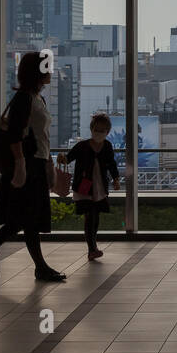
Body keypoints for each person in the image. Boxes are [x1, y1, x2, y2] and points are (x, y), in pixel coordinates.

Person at [0, 52, 67, 282]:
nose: (51, 71)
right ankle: (38, 266)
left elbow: (41, 136)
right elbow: (15, 135)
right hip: (25, 166)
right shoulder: (25, 98)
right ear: (37, 71)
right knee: (27, 218)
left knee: (24, 218)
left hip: (35, 164)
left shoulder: (36, 98)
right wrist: (21, 165)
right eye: (47, 67)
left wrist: (49, 163)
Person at [59, 111, 121, 260]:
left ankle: (92, 247)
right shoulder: (82, 146)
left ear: (107, 131)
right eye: (97, 130)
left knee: (95, 216)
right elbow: (68, 158)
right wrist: (63, 158)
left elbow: (112, 164)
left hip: (99, 186)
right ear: (92, 129)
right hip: (84, 187)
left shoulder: (107, 146)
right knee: (91, 215)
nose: (99, 133)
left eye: (102, 131)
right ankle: (92, 248)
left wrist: (116, 179)